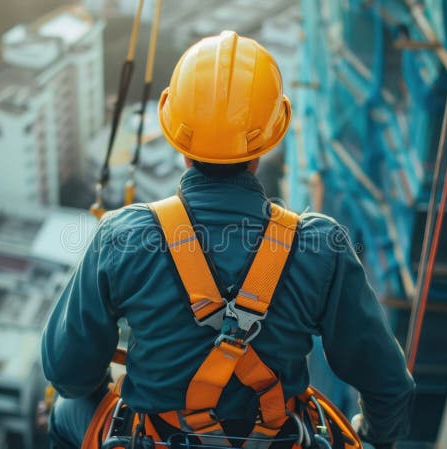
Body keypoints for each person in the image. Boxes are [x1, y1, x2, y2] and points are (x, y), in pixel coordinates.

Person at [41, 31, 414, 449]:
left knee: (66, 412)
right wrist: (371, 436)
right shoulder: (320, 246)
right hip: (280, 439)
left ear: (179, 141)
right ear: (270, 140)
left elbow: (66, 373)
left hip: (157, 439)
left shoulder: (124, 238)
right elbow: (388, 384)